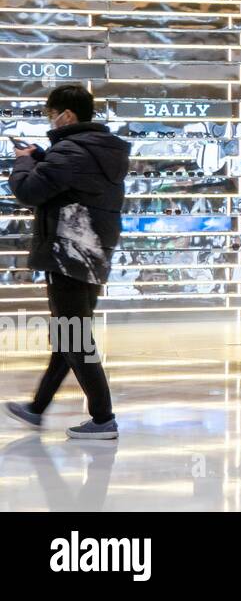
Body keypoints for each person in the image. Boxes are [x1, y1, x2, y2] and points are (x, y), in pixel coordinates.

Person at [4, 85, 131, 441]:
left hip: (68, 255)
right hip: (91, 253)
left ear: (68, 116)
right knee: (68, 336)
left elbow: (28, 190)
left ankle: (103, 418)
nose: (50, 120)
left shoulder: (72, 151)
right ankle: (37, 408)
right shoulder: (99, 150)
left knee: (73, 338)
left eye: (51, 114)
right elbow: (70, 184)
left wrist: (25, 160)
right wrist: (44, 157)